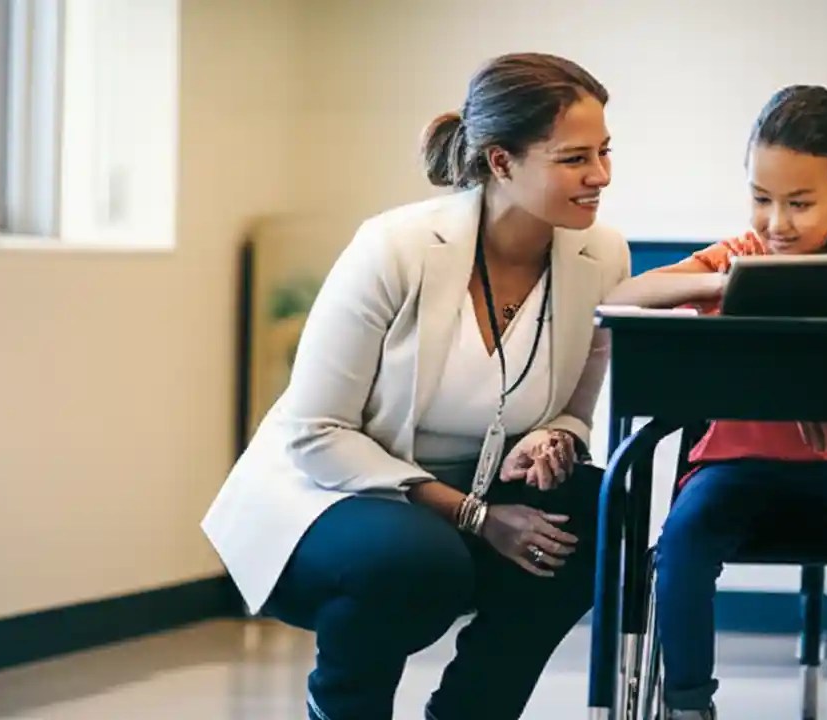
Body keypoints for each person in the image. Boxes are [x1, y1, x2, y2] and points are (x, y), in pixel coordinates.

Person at [201, 53, 630, 720]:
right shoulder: (394, 247)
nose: (600, 176)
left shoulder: (600, 255)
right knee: (414, 558)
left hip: (475, 497)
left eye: (605, 152)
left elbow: (576, 411)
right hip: (330, 496)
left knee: (600, 513)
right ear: (500, 162)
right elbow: (316, 432)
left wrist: (550, 438)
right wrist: (476, 516)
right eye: (575, 158)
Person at [605, 85, 827, 720]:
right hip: (732, 470)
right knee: (681, 541)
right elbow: (630, 292)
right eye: (761, 199)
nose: (776, 223)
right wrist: (729, 283)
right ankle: (689, 705)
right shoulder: (739, 255)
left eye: (799, 203)